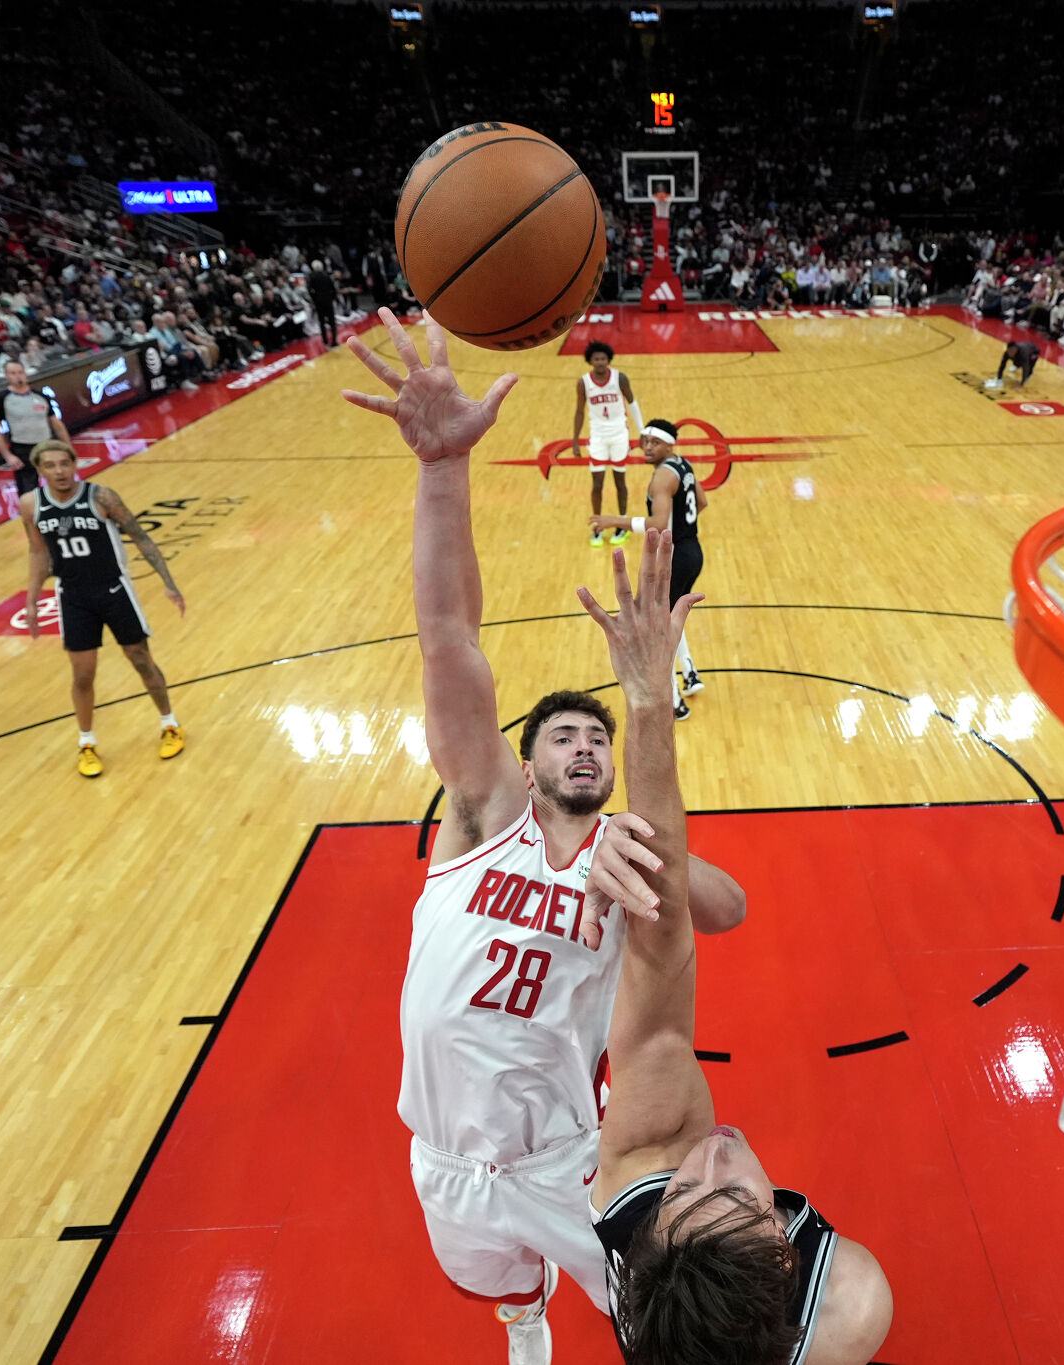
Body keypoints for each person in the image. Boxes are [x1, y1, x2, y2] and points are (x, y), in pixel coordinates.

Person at [336, 313, 747, 1365]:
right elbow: (448, 642)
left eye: (594, 739)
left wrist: (645, 850)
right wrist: (442, 472)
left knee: (663, 1326)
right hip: (437, 1155)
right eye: (560, 735)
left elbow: (730, 910)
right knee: (499, 1285)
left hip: (568, 1156)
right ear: (523, 766)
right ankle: (523, 1323)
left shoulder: (625, 851)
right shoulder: (479, 820)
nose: (580, 747)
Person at [578, 532, 893, 1365]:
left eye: (684, 1190)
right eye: (744, 1202)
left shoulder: (641, 1162)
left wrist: (648, 706)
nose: (713, 1156)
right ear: (784, 1255)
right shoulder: (850, 1301)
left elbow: (660, 940)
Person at [19, 441, 186, 777]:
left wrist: (168, 582)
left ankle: (169, 723)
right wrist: (32, 600)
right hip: (73, 595)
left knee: (141, 660)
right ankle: (86, 743)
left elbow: (141, 537)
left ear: (75, 464)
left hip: (114, 589)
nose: (59, 471)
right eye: (50, 466)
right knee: (82, 674)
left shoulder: (101, 497)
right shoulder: (29, 505)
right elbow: (38, 554)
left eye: (65, 464)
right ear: (40, 471)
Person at [592, 418, 706, 719]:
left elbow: (657, 524)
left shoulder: (661, 479)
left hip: (675, 556)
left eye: (654, 443)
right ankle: (691, 673)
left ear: (669, 444)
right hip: (693, 550)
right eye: (644, 441)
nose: (646, 447)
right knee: (670, 615)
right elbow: (702, 502)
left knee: (658, 627)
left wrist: (616, 520)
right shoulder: (684, 465)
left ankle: (674, 701)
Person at [572, 340, 644, 548]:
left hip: (619, 434)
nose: (600, 362)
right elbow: (579, 411)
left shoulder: (619, 377)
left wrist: (642, 431)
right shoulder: (583, 382)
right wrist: (575, 440)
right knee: (597, 484)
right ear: (590, 361)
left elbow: (632, 403)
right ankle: (597, 526)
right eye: (596, 359)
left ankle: (622, 523)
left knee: (620, 482)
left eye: (603, 358)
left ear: (609, 359)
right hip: (598, 437)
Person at [0, 361, 73, 499]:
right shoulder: (2, 399)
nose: (18, 376)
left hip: (46, 446)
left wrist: (68, 449)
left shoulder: (41, 396)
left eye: (20, 372)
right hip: (22, 449)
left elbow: (57, 424)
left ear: (25, 374)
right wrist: (8, 456)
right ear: (7, 376)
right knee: (29, 494)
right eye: (13, 373)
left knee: (59, 486)